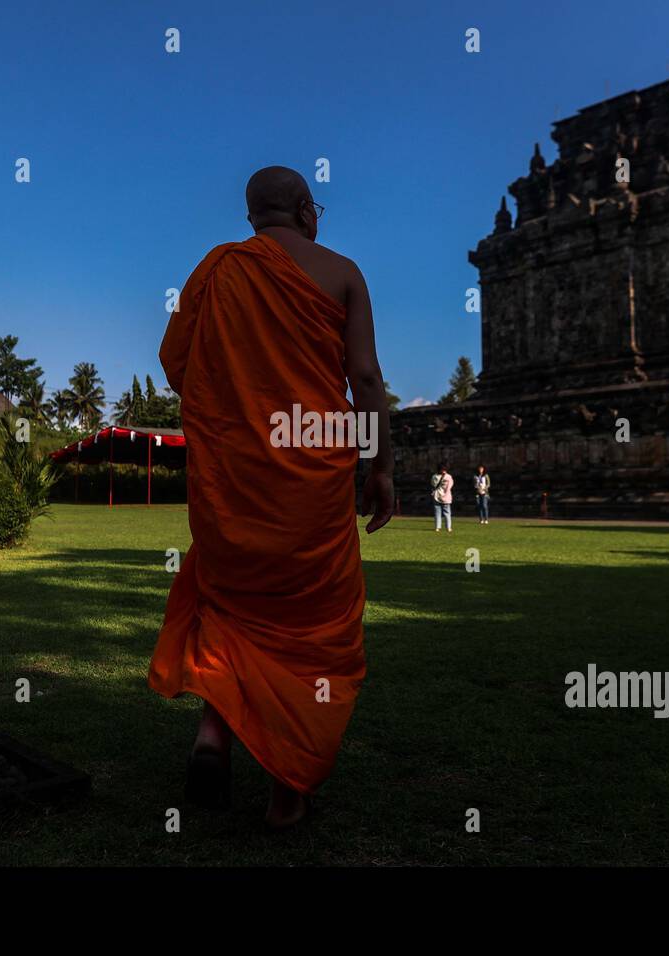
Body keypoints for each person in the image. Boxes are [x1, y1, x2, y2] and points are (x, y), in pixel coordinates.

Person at [149, 165, 394, 830]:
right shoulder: (342, 272)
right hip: (312, 488)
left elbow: (178, 360)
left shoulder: (220, 267)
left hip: (238, 481)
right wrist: (381, 467)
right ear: (307, 211)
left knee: (228, 603)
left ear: (254, 215)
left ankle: (212, 736)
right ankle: (288, 793)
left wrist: (241, 411)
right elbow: (365, 376)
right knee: (313, 629)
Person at [431, 462, 453, 532]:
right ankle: (448, 527)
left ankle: (437, 527)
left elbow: (433, 484)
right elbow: (451, 485)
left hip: (436, 496)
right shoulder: (448, 477)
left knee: (437, 512)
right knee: (447, 513)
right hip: (446, 497)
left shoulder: (434, 477)